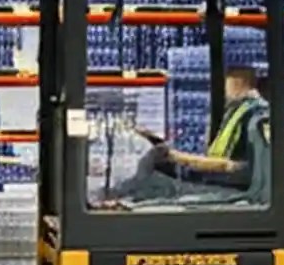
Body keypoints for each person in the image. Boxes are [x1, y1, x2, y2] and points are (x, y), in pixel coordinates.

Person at [104, 65, 269, 204]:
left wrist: (177, 157)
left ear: (238, 83)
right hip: (222, 182)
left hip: (232, 190)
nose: (224, 90)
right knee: (157, 177)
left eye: (227, 84)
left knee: (156, 185)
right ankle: (116, 195)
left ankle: (113, 198)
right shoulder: (239, 112)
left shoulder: (253, 116)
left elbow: (230, 166)